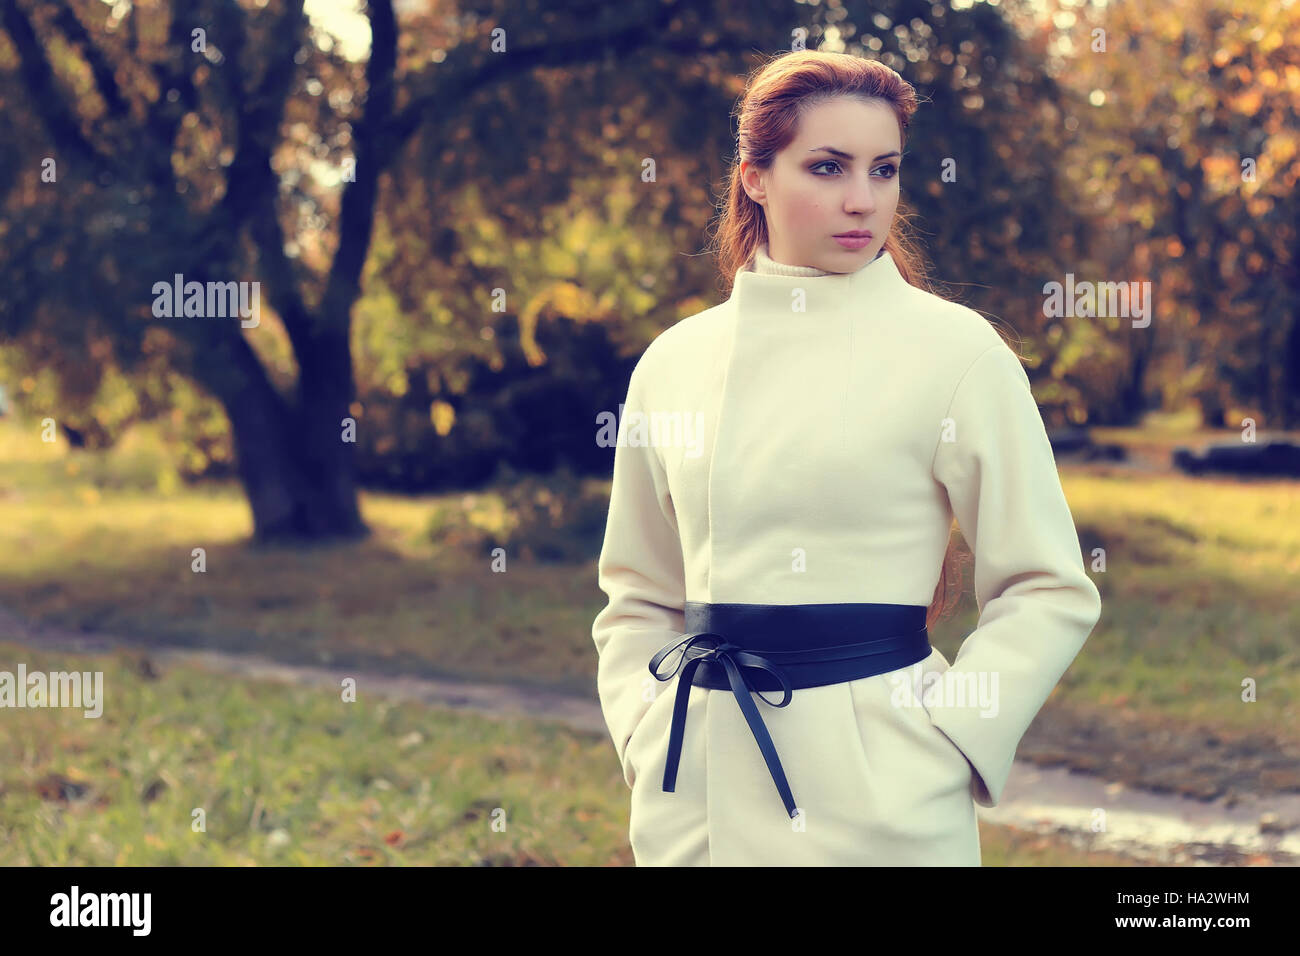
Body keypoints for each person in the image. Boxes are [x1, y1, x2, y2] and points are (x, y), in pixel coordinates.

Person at [591, 50, 1101, 866]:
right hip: (698, 800)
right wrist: (645, 733)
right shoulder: (675, 362)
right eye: (827, 167)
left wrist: (950, 741)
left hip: (885, 800)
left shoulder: (956, 352)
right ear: (755, 176)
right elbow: (638, 592)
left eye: (884, 169)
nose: (863, 200)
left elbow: (1047, 586)